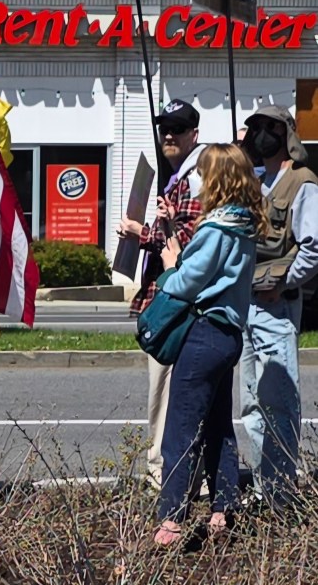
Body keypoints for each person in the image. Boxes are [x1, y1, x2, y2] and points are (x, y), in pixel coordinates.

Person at [153, 143, 266, 545]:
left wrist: (170, 267)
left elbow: (187, 283)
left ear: (216, 179)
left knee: (180, 428)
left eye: (202, 173)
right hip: (230, 334)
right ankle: (223, 508)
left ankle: (171, 520)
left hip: (203, 333)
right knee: (218, 426)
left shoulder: (216, 228)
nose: (197, 181)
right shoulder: (244, 225)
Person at [118, 99, 205, 484]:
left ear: (194, 135)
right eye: (164, 128)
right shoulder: (174, 178)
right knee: (162, 393)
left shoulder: (194, 178)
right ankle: (166, 468)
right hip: (164, 301)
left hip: (180, 307)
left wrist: (142, 233)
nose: (168, 135)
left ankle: (169, 473)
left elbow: (189, 238)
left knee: (170, 392)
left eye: (178, 129)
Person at [239, 106, 318, 510]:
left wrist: (283, 283)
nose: (261, 134)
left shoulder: (302, 183)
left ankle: (282, 496)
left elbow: (313, 247)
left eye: (271, 127)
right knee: (251, 402)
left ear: (287, 133)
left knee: (279, 400)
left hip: (277, 306)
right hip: (246, 306)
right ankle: (262, 487)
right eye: (255, 128)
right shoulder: (255, 181)